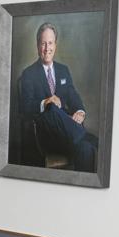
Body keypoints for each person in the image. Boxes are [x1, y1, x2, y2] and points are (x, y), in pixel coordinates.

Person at [19, 22, 98, 172]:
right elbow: (25, 108)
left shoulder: (63, 70)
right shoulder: (28, 74)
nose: (47, 48)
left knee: (86, 149)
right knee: (53, 109)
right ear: (37, 45)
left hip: (68, 136)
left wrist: (80, 111)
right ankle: (89, 137)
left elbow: (72, 95)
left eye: (50, 43)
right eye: (43, 44)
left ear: (55, 45)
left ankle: (82, 193)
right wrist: (46, 102)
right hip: (46, 137)